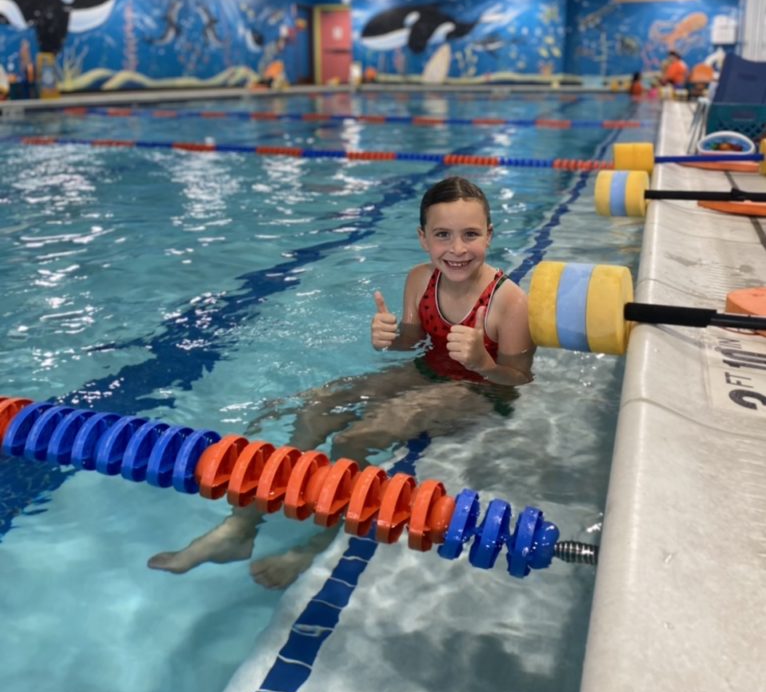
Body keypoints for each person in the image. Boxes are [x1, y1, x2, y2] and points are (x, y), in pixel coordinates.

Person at [148, 176, 535, 587]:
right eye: (443, 235)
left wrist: (482, 362)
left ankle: (320, 541)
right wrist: (390, 339)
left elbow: (517, 380)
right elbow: (415, 341)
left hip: (480, 389)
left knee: (354, 440)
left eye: (470, 235)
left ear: (489, 236)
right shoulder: (421, 279)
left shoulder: (509, 302)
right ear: (424, 239)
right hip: (428, 370)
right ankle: (239, 527)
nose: (457, 249)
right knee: (316, 409)